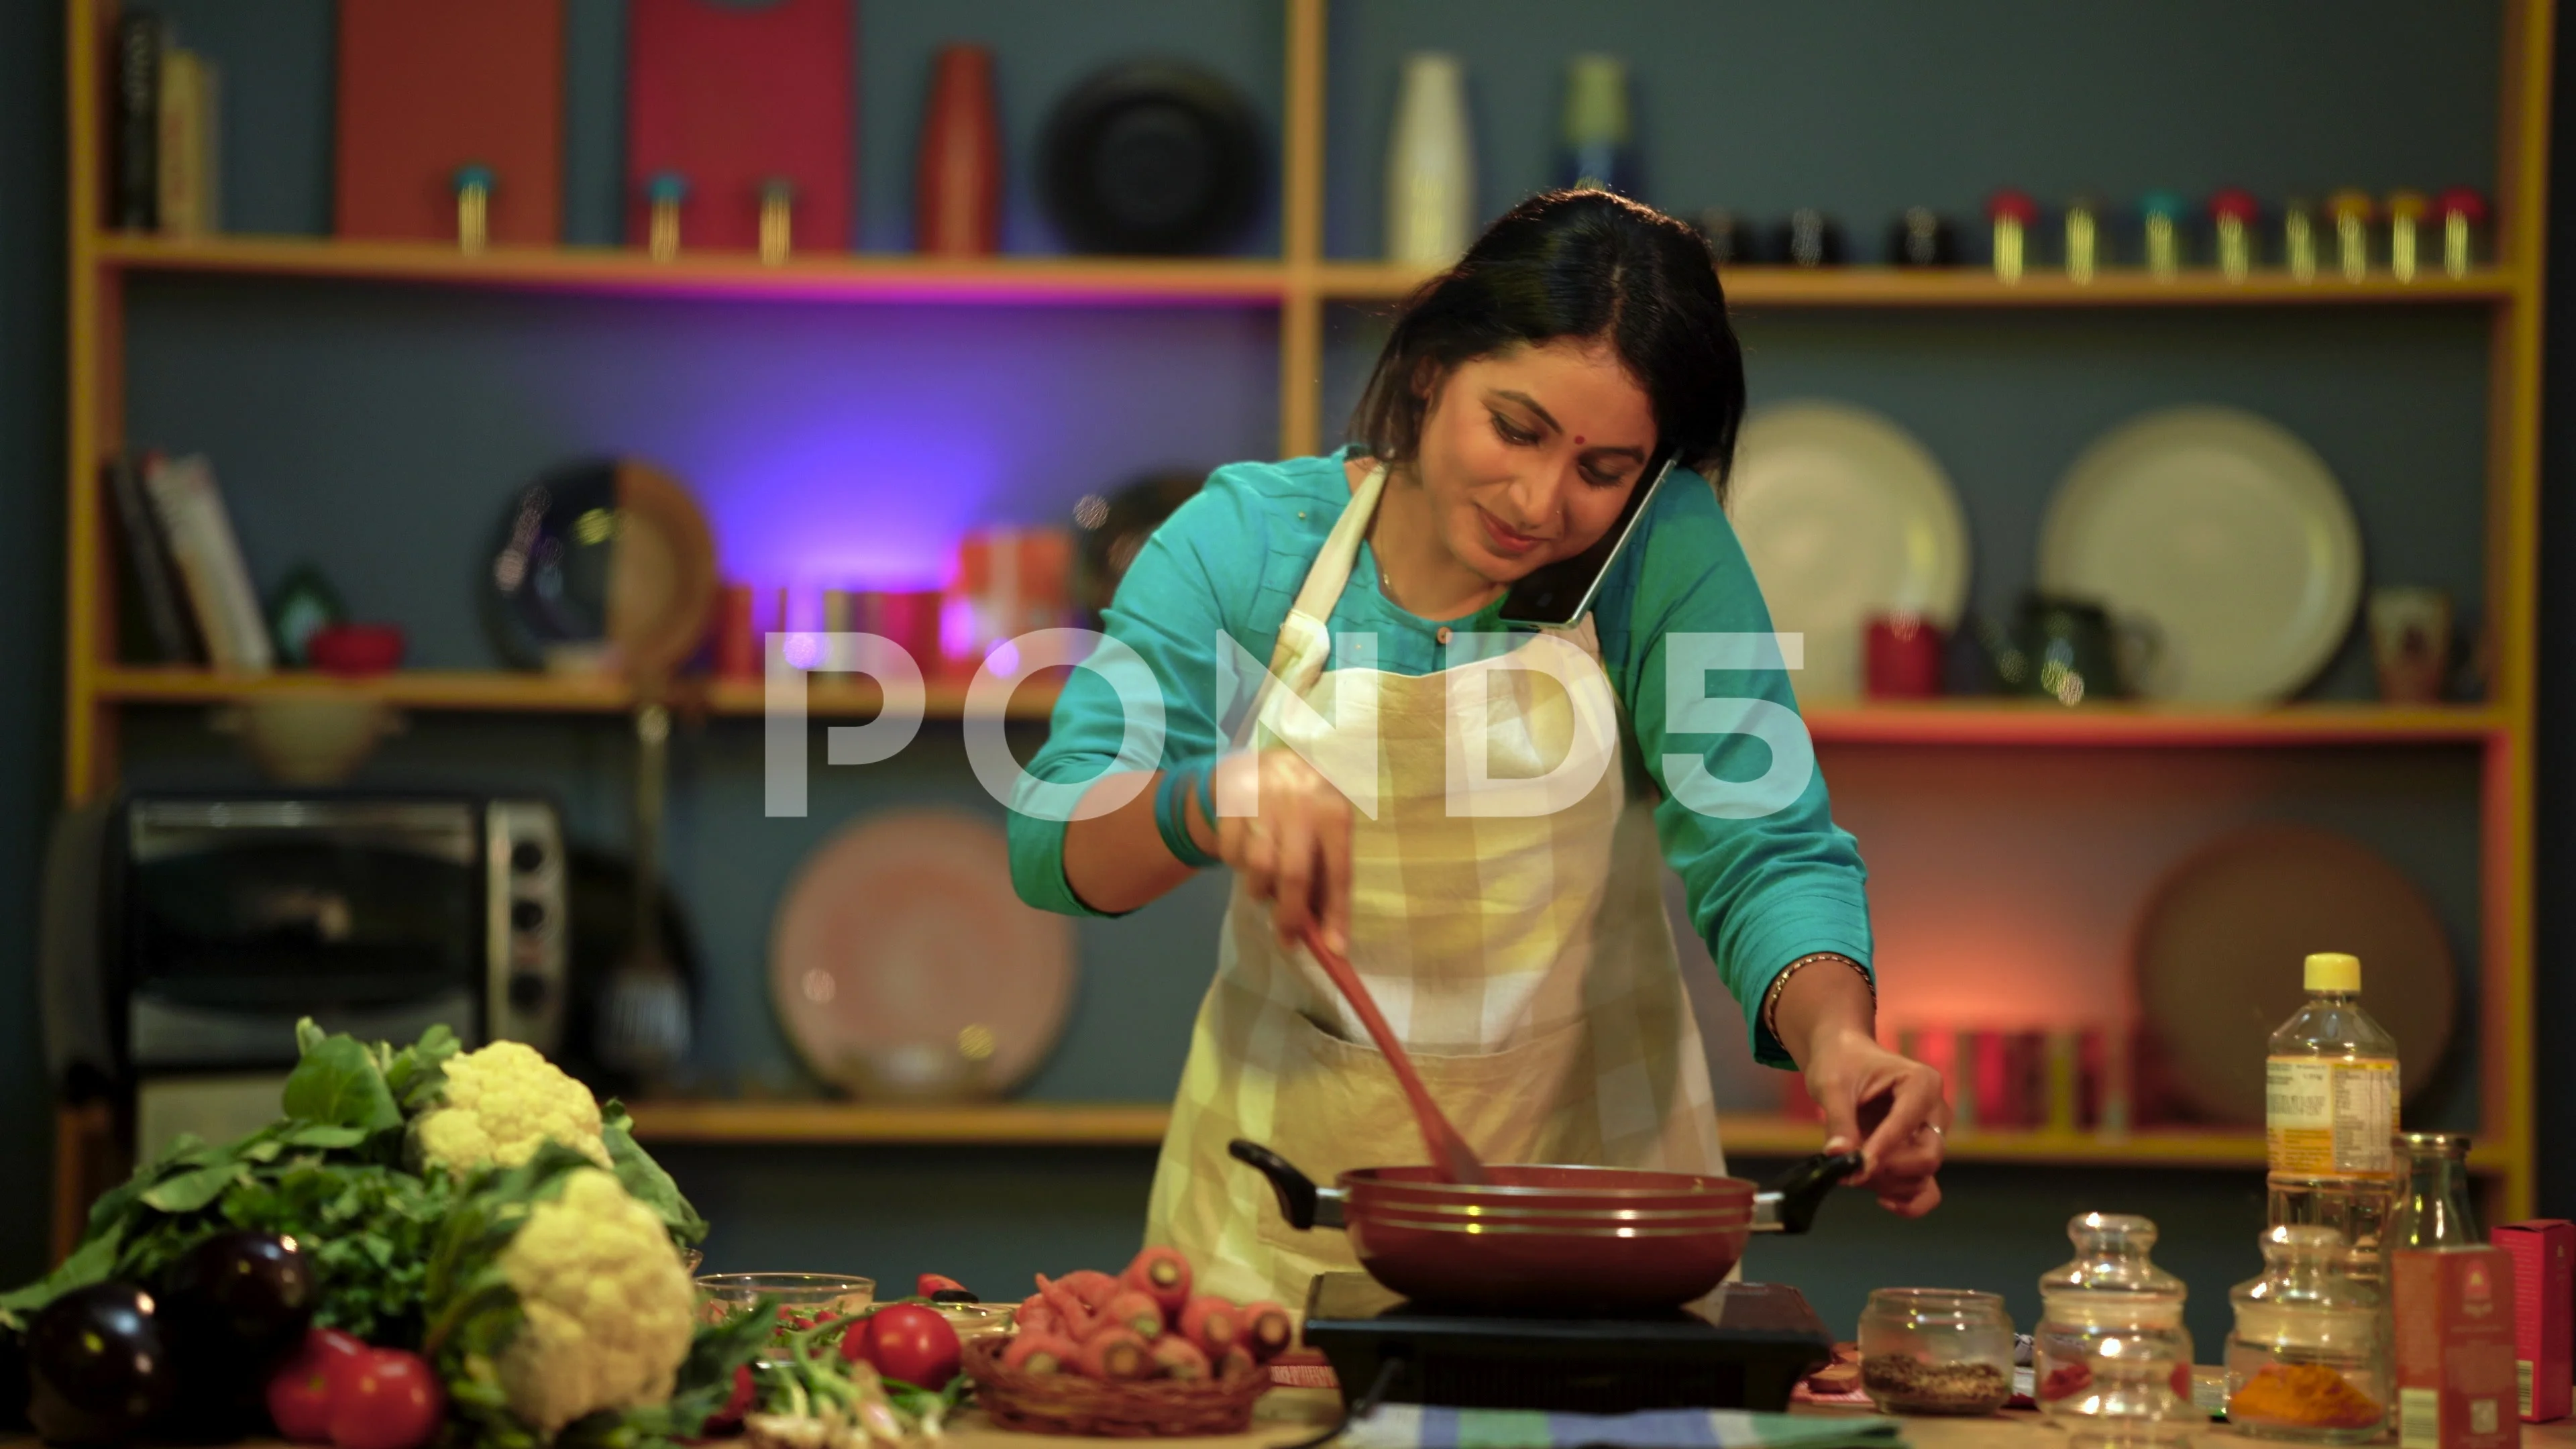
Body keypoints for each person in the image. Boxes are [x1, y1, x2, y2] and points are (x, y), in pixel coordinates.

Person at [1008, 190, 1946, 1305]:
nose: (1540, 501)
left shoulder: (1662, 555)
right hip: (1276, 1238)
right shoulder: (1247, 541)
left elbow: (1767, 845)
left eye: (1604, 469)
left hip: (1600, 1225)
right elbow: (1051, 843)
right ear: (1428, 370)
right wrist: (1202, 805)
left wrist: (1839, 1041)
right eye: (1516, 428)